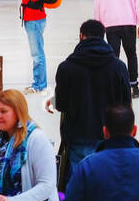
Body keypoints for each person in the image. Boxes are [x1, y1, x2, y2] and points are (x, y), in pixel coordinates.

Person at [49, 18, 132, 191]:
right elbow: (126, 103)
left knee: (80, 187)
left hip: (78, 135)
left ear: (81, 36)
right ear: (103, 37)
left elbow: (62, 105)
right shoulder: (119, 67)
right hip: (111, 137)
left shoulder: (66, 68)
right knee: (108, 185)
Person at [16, 0, 50, 95]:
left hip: (34, 18)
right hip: (35, 16)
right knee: (37, 52)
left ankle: (39, 84)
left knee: (37, 54)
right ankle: (39, 82)